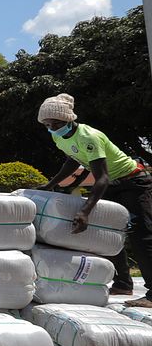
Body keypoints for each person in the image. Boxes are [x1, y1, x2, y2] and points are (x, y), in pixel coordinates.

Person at [35, 93, 152, 308]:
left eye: (56, 123)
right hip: (113, 183)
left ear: (69, 119)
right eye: (47, 124)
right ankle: (123, 283)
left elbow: (102, 178)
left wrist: (85, 211)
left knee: (141, 236)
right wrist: (50, 185)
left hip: (133, 182)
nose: (51, 128)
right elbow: (72, 160)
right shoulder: (58, 136)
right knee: (107, 235)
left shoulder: (89, 137)